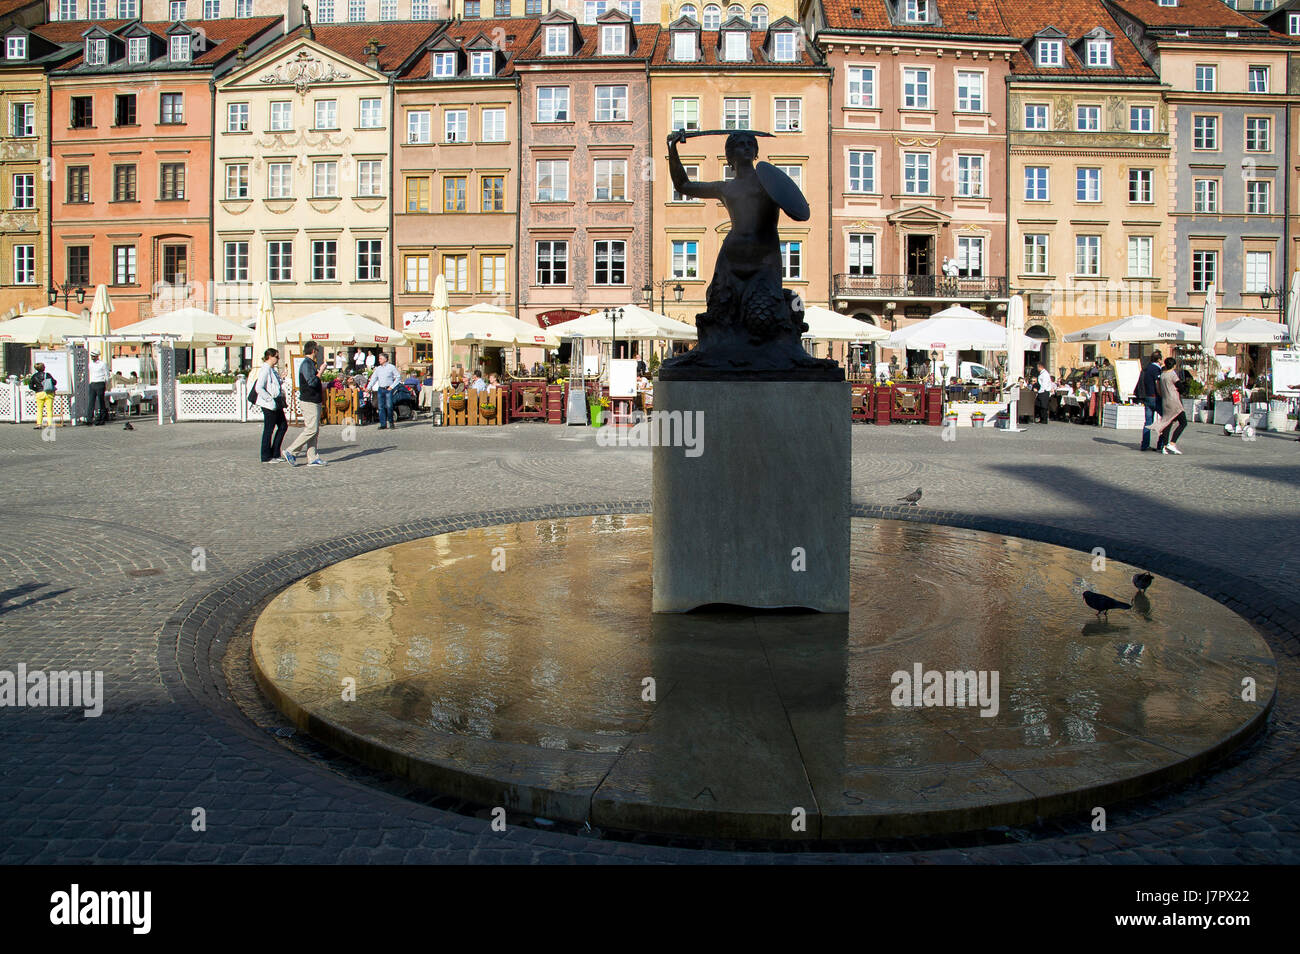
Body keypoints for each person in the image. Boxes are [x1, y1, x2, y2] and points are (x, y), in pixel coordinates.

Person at [284, 340, 326, 466]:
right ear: (313, 351)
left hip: (314, 400)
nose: (318, 353)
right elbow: (312, 382)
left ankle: (312, 457)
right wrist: (321, 372)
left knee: (314, 430)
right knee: (311, 429)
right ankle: (290, 450)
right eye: (317, 350)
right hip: (309, 401)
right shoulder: (307, 364)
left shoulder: (310, 363)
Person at [253, 348, 288, 463]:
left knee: (283, 426)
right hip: (269, 404)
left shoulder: (272, 369)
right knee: (269, 429)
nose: (278, 359)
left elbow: (274, 385)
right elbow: (259, 387)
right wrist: (269, 399)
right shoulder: (265, 369)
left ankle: (275, 453)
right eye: (277, 357)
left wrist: (281, 378)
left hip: (276, 402)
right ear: (270, 357)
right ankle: (266, 456)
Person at [1155, 357, 1188, 455]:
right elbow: (1180, 387)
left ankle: (1164, 446)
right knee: (1183, 422)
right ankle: (1172, 443)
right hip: (1174, 401)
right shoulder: (1172, 374)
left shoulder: (1162, 375)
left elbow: (1159, 389)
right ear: (1174, 365)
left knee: (1168, 423)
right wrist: (1184, 388)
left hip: (1165, 401)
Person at [1137, 349, 1164, 451]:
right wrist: (1161, 395)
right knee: (1165, 419)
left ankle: (1145, 444)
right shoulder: (1156, 369)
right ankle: (1161, 444)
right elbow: (1157, 384)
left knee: (1148, 422)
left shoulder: (1146, 368)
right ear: (1159, 359)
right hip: (1155, 397)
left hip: (1147, 397)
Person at [367, 352, 400, 429]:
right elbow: (373, 379)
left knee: (389, 406)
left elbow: (398, 377)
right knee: (380, 407)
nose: (379, 360)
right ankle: (383, 424)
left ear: (385, 359)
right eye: (379, 358)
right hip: (381, 389)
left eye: (381, 358)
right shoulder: (378, 368)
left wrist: (392, 386)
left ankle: (391, 422)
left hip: (388, 389)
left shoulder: (391, 367)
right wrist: (368, 387)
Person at [28, 362, 56, 430]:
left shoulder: (34, 376)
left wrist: (36, 389)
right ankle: (49, 424)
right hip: (48, 393)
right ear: (43, 367)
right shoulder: (47, 374)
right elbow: (54, 382)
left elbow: (31, 386)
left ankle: (39, 424)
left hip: (39, 393)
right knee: (49, 409)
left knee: (39, 409)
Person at [87, 350, 110, 425]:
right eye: (92, 356)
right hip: (93, 383)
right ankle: (89, 419)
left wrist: (106, 384)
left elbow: (106, 374)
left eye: (94, 356)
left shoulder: (103, 364)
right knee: (91, 401)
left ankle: (102, 418)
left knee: (101, 401)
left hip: (100, 382)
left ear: (97, 356)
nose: (92, 357)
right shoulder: (90, 364)